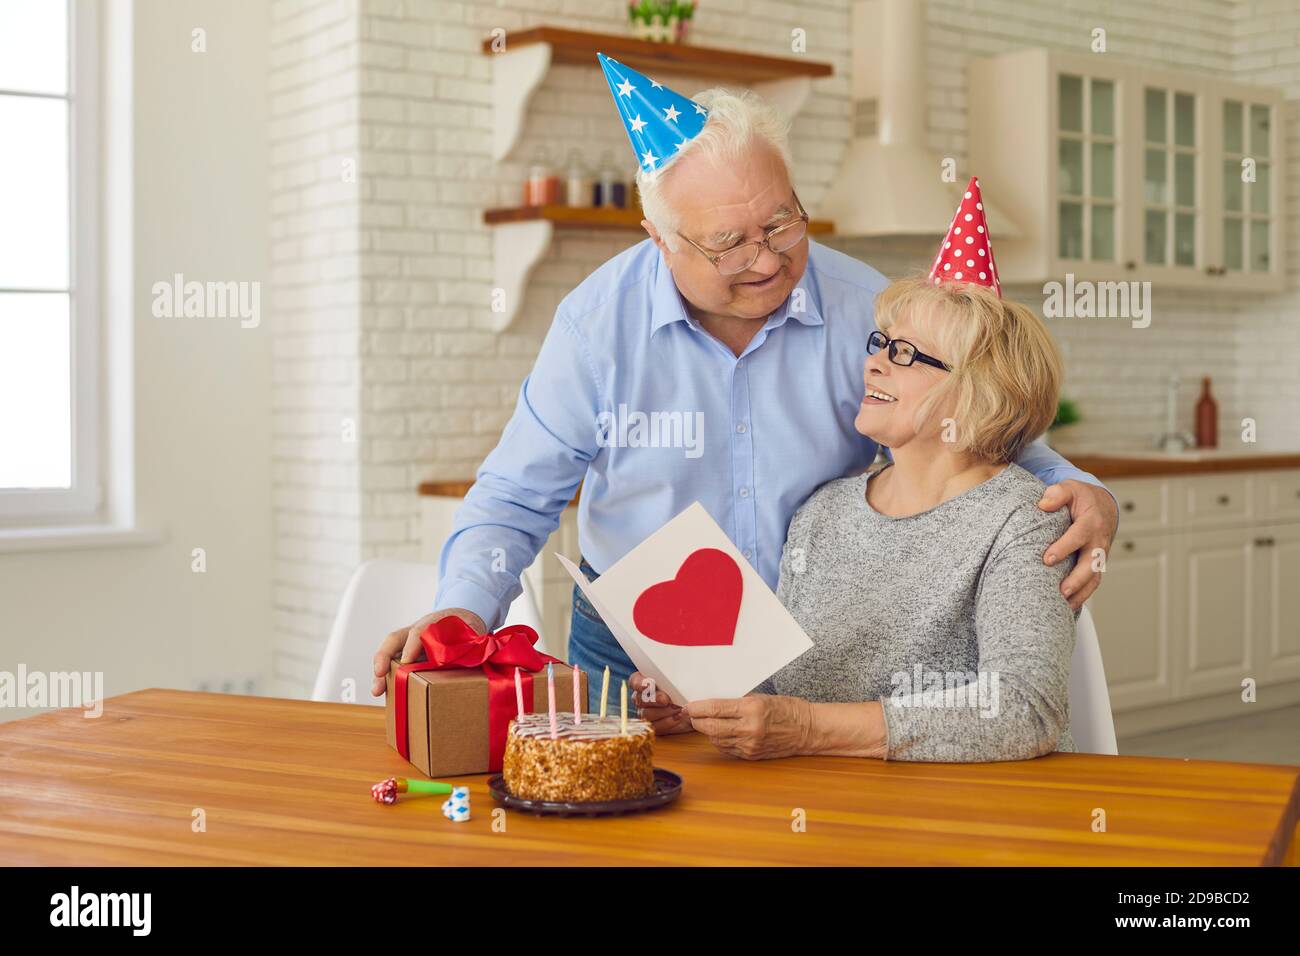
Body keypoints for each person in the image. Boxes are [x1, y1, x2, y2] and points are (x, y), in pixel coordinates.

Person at [370, 66, 1117, 714]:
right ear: (658, 238)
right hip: (633, 646)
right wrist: (461, 615)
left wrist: (1081, 486)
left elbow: (981, 423)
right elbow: (514, 496)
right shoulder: (597, 325)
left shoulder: (865, 308)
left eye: (780, 221)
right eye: (727, 242)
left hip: (813, 647)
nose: (764, 259)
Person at [636, 242, 1082, 761]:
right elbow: (791, 690)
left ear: (978, 393)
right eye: (882, 344)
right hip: (819, 807)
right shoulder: (824, 509)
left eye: (906, 355)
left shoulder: (1025, 521)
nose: (872, 365)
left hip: (961, 819)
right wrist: (703, 703)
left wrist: (807, 729)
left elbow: (1025, 711)